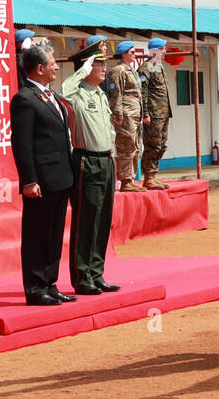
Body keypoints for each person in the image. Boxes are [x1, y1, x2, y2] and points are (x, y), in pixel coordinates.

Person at [11, 43, 77, 306]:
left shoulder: (51, 96)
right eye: (52, 64)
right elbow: (22, 144)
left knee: (54, 234)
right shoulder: (24, 99)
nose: (56, 67)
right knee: (37, 235)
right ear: (39, 69)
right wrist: (29, 180)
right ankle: (36, 288)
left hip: (61, 177)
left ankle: (50, 283)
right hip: (41, 180)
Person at [61, 37, 121, 296]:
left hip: (106, 160)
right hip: (87, 160)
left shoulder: (100, 94)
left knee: (102, 219)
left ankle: (97, 273)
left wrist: (114, 161)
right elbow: (63, 90)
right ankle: (81, 275)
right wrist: (83, 69)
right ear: (87, 67)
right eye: (99, 64)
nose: (104, 69)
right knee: (86, 220)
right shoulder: (77, 94)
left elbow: (108, 132)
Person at [109, 41, 146, 191]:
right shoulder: (118, 70)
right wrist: (118, 114)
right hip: (126, 114)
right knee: (126, 145)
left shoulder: (132, 70)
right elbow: (116, 93)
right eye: (132, 52)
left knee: (136, 146)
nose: (134, 54)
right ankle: (125, 180)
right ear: (123, 53)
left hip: (136, 113)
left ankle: (130, 178)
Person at [140, 38, 173, 190]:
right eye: (162, 49)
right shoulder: (147, 67)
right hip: (153, 114)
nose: (164, 51)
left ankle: (153, 175)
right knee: (152, 145)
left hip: (163, 113)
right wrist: (145, 113)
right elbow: (143, 92)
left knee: (161, 145)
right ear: (155, 51)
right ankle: (148, 177)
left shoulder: (159, 67)